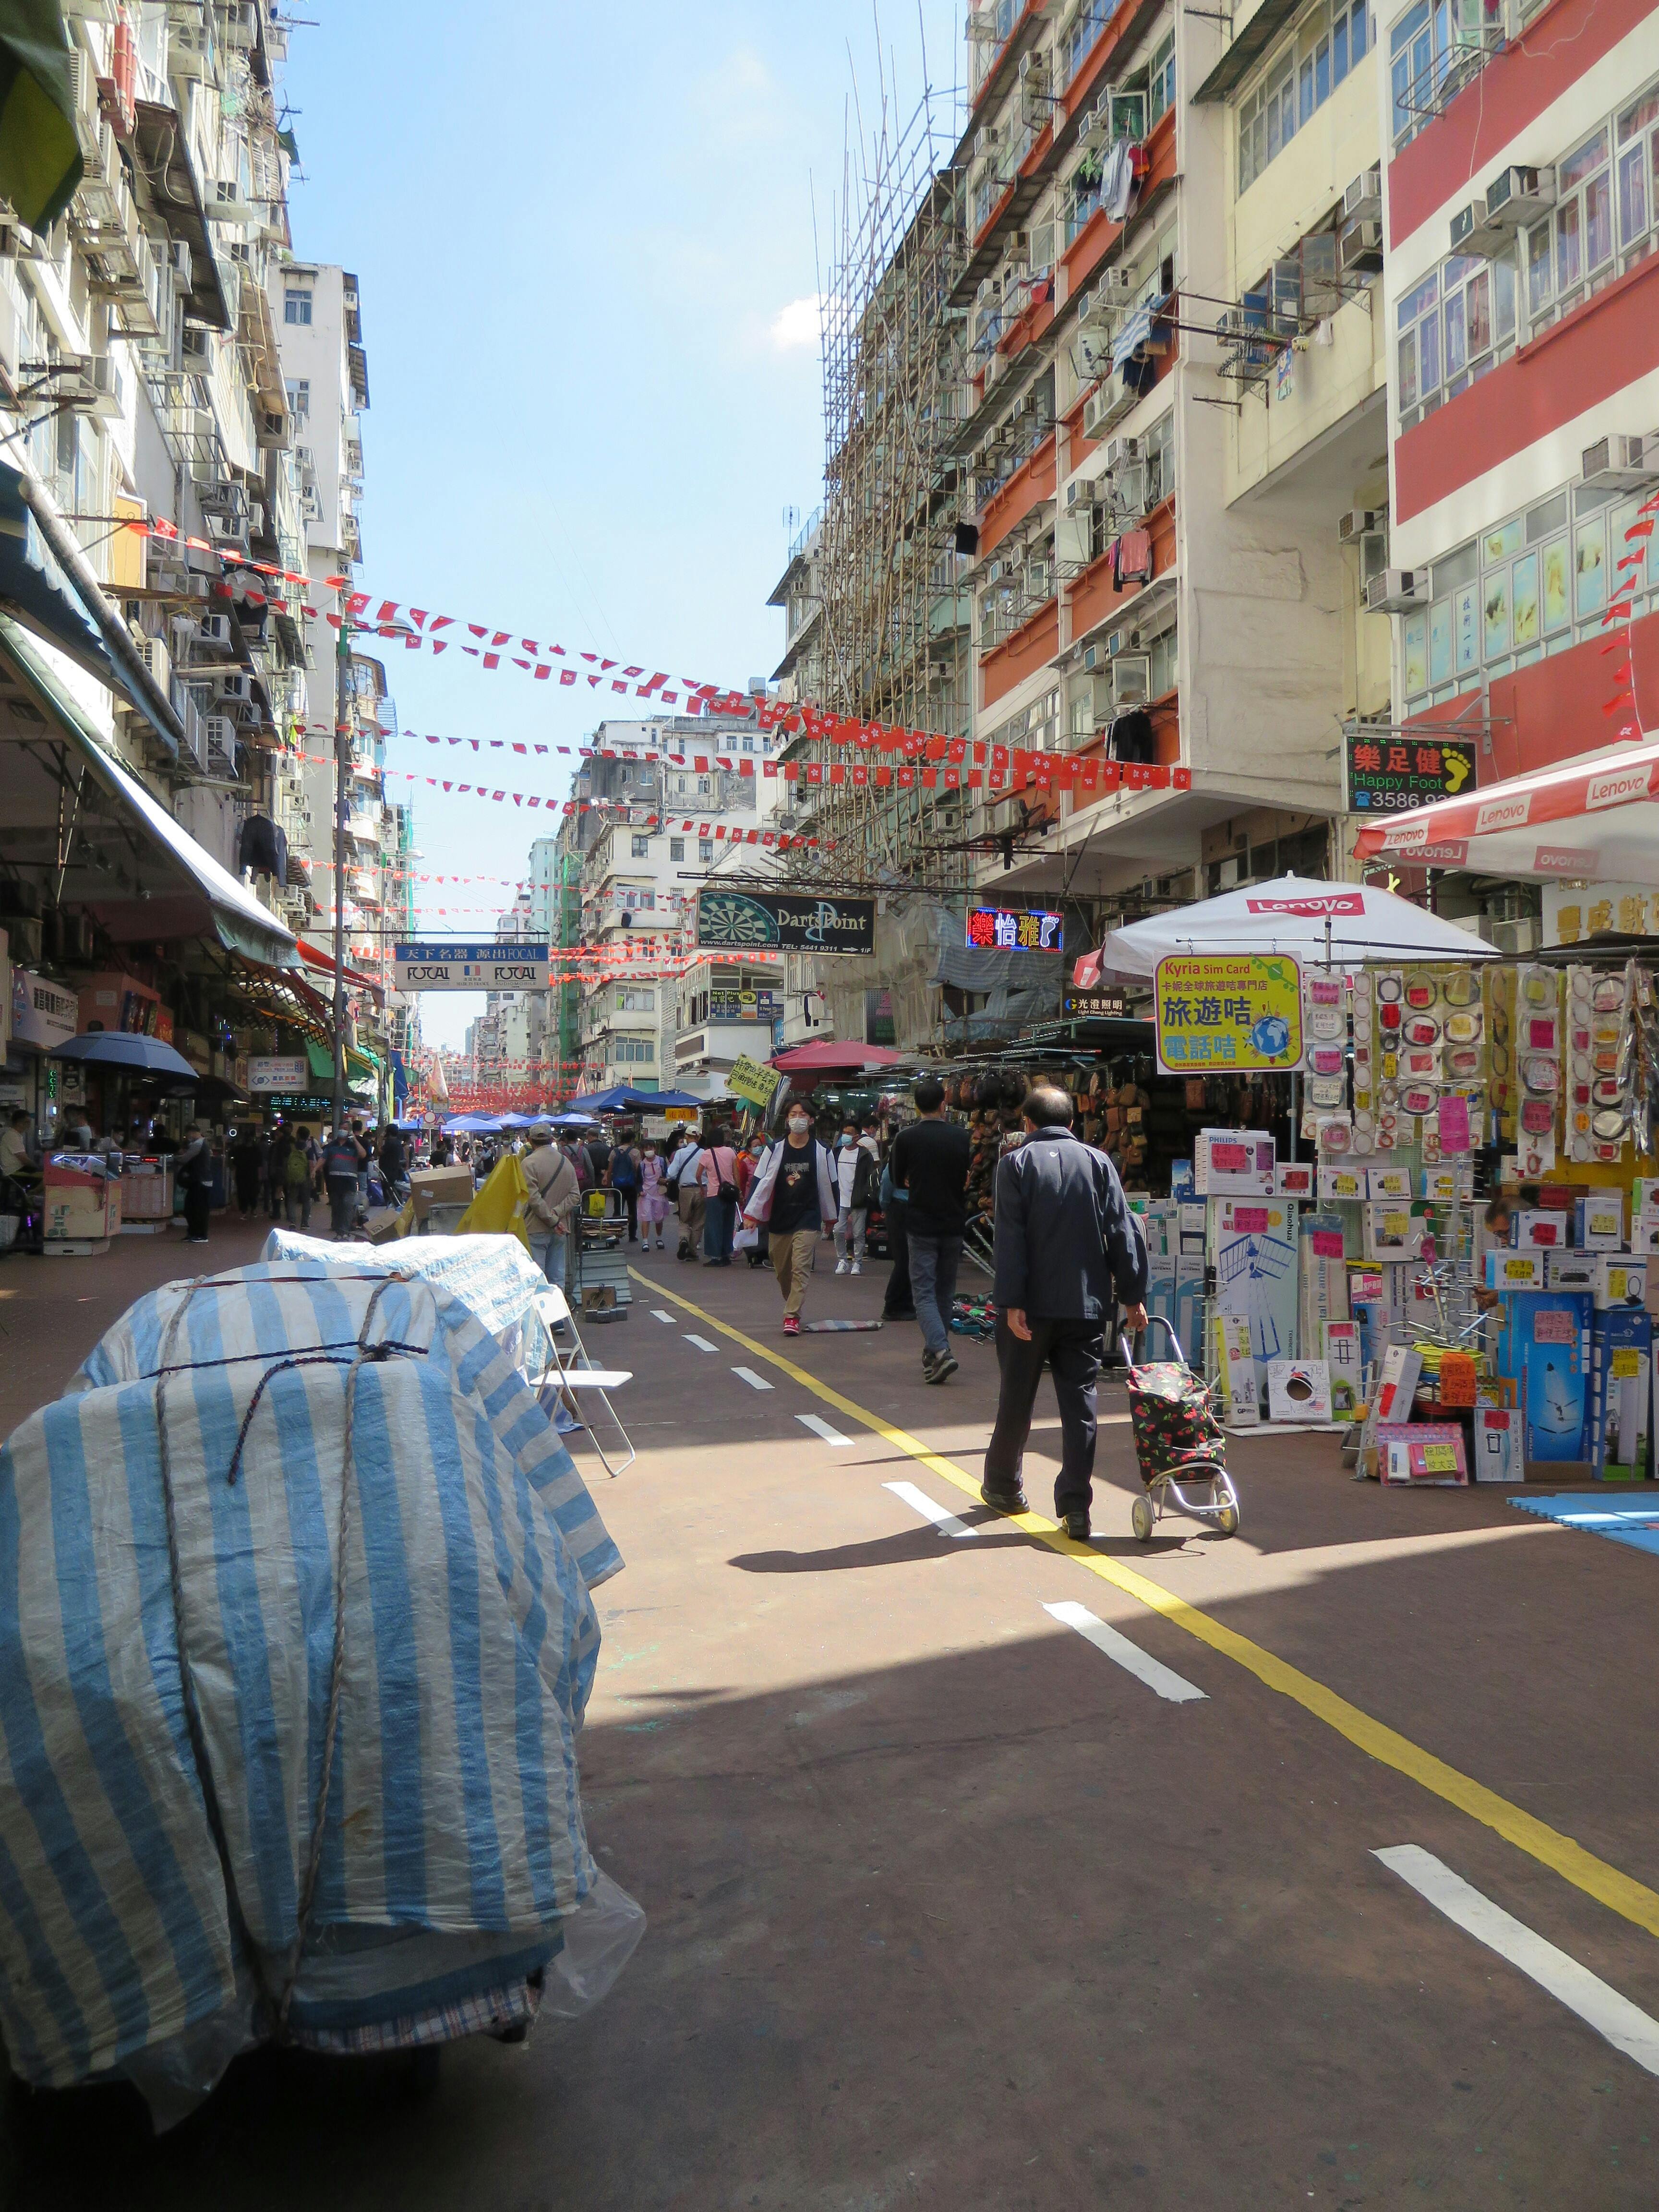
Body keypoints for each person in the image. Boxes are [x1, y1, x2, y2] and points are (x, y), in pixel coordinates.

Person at [982, 1083, 1149, 1540]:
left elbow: (1011, 1239)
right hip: (1086, 1306)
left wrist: (1011, 1301)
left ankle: (1004, 1487)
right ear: (1073, 1124)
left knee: (1017, 1398)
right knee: (1080, 1404)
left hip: (1030, 1310)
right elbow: (1122, 1229)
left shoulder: (1014, 1164)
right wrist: (1133, 1295)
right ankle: (1076, 1508)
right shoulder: (1099, 1163)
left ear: (1028, 1125)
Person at [890, 1076, 974, 1384]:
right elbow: (968, 1179)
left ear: (916, 1105)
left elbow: (898, 1179)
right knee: (944, 1290)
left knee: (923, 1291)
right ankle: (937, 1352)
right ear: (944, 1104)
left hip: (921, 1222)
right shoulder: (962, 1137)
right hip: (953, 1223)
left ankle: (940, 1350)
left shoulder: (906, 1138)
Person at [743, 1102, 836, 1334]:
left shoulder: (823, 1152)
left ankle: (791, 1316)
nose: (798, 1119)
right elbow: (759, 1181)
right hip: (780, 1218)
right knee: (781, 1267)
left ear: (811, 1120)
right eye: (793, 1115)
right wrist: (751, 1214)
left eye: (803, 1115)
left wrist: (831, 1217)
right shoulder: (774, 1150)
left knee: (801, 1266)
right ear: (787, 1120)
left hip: (808, 1217)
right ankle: (792, 1302)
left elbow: (832, 1185)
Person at [522, 1118, 580, 1288]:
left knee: (537, 1279)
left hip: (535, 1227)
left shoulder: (528, 1164)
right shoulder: (565, 1162)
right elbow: (575, 1194)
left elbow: (533, 1198)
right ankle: (559, 1313)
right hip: (561, 1228)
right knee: (557, 1278)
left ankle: (541, 1314)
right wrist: (557, 1214)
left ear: (530, 1141)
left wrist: (550, 1218)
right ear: (552, 1139)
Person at [833, 1118, 881, 1275]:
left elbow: (872, 1177)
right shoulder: (837, 1153)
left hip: (858, 1201)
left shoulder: (864, 1155)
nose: (846, 1136)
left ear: (857, 1136)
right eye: (844, 1133)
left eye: (850, 1134)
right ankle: (842, 1260)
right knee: (838, 1231)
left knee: (859, 1233)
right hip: (840, 1201)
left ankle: (857, 1262)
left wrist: (867, 1195)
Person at [698, 1124, 741, 1266]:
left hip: (714, 1194)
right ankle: (726, 1254)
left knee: (713, 1226)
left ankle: (715, 1256)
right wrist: (738, 1191)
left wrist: (701, 1187)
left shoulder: (706, 1154)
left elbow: (698, 1174)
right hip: (729, 1194)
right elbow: (737, 1174)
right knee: (728, 1225)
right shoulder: (731, 1152)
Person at [322, 1122, 367, 1239]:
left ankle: (344, 1232)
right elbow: (323, 1158)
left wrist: (355, 1140)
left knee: (347, 1206)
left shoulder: (353, 1146)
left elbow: (363, 1155)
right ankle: (339, 1231)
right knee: (337, 1207)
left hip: (349, 1182)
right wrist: (315, 1170)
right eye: (341, 1128)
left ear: (350, 1131)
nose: (343, 1130)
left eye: (346, 1129)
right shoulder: (332, 1146)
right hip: (334, 1182)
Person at [174, 1123, 214, 1246]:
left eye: (187, 1134)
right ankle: (193, 1233)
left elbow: (185, 1158)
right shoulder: (201, 1143)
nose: (187, 1137)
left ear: (192, 1132)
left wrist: (173, 1158)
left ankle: (201, 1235)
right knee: (190, 1208)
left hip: (201, 1181)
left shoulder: (198, 1144)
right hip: (198, 1181)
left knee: (199, 1209)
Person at [673, 1130, 706, 1261]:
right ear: (698, 1138)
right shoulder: (704, 1153)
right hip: (702, 1189)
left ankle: (684, 1240)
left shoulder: (680, 1153)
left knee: (684, 1219)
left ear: (687, 1137)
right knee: (699, 1222)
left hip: (685, 1190)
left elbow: (672, 1173)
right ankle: (692, 1250)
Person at [637, 1139, 671, 1251]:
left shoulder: (661, 1161)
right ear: (643, 1151)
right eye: (646, 1149)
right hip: (646, 1194)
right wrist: (640, 1191)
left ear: (655, 1149)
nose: (649, 1151)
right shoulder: (642, 1165)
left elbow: (666, 1174)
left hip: (659, 1193)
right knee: (645, 1217)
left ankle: (659, 1238)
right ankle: (645, 1241)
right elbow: (638, 1181)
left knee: (659, 1217)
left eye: (650, 1149)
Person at [610, 1126, 642, 1242]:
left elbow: (610, 1169)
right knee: (632, 1209)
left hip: (618, 1186)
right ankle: (632, 1235)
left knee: (618, 1210)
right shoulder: (635, 1152)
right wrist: (639, 1186)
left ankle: (616, 1234)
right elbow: (639, 1169)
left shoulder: (614, 1152)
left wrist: (609, 1185)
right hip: (631, 1185)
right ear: (632, 1140)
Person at [230, 1124, 262, 1220]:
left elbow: (234, 1163)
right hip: (252, 1174)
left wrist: (234, 1174)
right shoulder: (256, 1150)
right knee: (252, 1193)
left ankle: (245, 1211)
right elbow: (260, 1164)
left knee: (243, 1193)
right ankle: (252, 1210)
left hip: (242, 1174)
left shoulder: (239, 1149)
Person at [378, 1119, 409, 1204]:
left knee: (389, 1193)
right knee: (395, 1192)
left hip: (388, 1171)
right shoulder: (398, 1143)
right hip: (395, 1170)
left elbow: (380, 1152)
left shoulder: (390, 1143)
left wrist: (380, 1140)